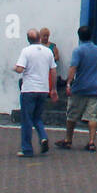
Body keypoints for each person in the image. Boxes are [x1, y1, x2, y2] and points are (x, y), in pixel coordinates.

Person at [58, 25, 97, 152]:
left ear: (79, 36)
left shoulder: (78, 51)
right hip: (94, 88)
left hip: (79, 88)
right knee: (92, 116)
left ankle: (68, 140)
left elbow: (73, 68)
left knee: (72, 114)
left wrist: (68, 83)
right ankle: (91, 142)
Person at [13, 29, 57, 157]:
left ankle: (27, 148)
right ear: (39, 38)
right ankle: (43, 136)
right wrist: (53, 88)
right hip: (43, 89)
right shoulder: (48, 51)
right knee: (37, 117)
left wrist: (14, 68)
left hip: (29, 89)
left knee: (26, 119)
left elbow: (20, 69)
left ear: (28, 39)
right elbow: (53, 70)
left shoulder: (26, 51)